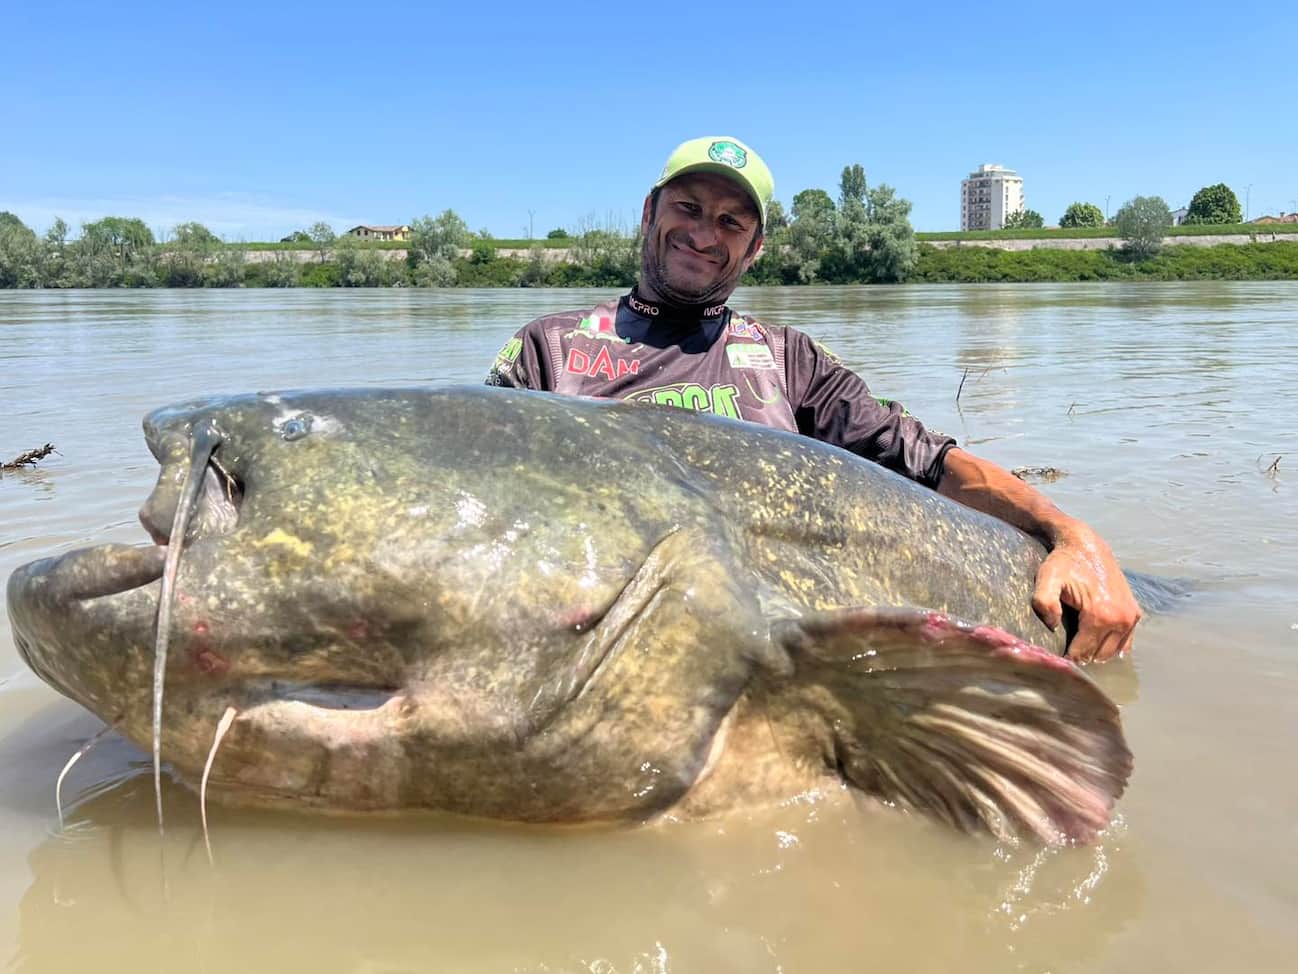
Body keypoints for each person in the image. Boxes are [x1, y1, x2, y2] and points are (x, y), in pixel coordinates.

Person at [486, 136, 1141, 662]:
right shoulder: (549, 350)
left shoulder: (790, 360)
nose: (705, 233)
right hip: (604, 650)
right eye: (688, 208)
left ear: (756, 247)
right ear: (649, 211)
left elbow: (929, 463)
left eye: (731, 220)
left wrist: (1071, 533)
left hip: (771, 654)